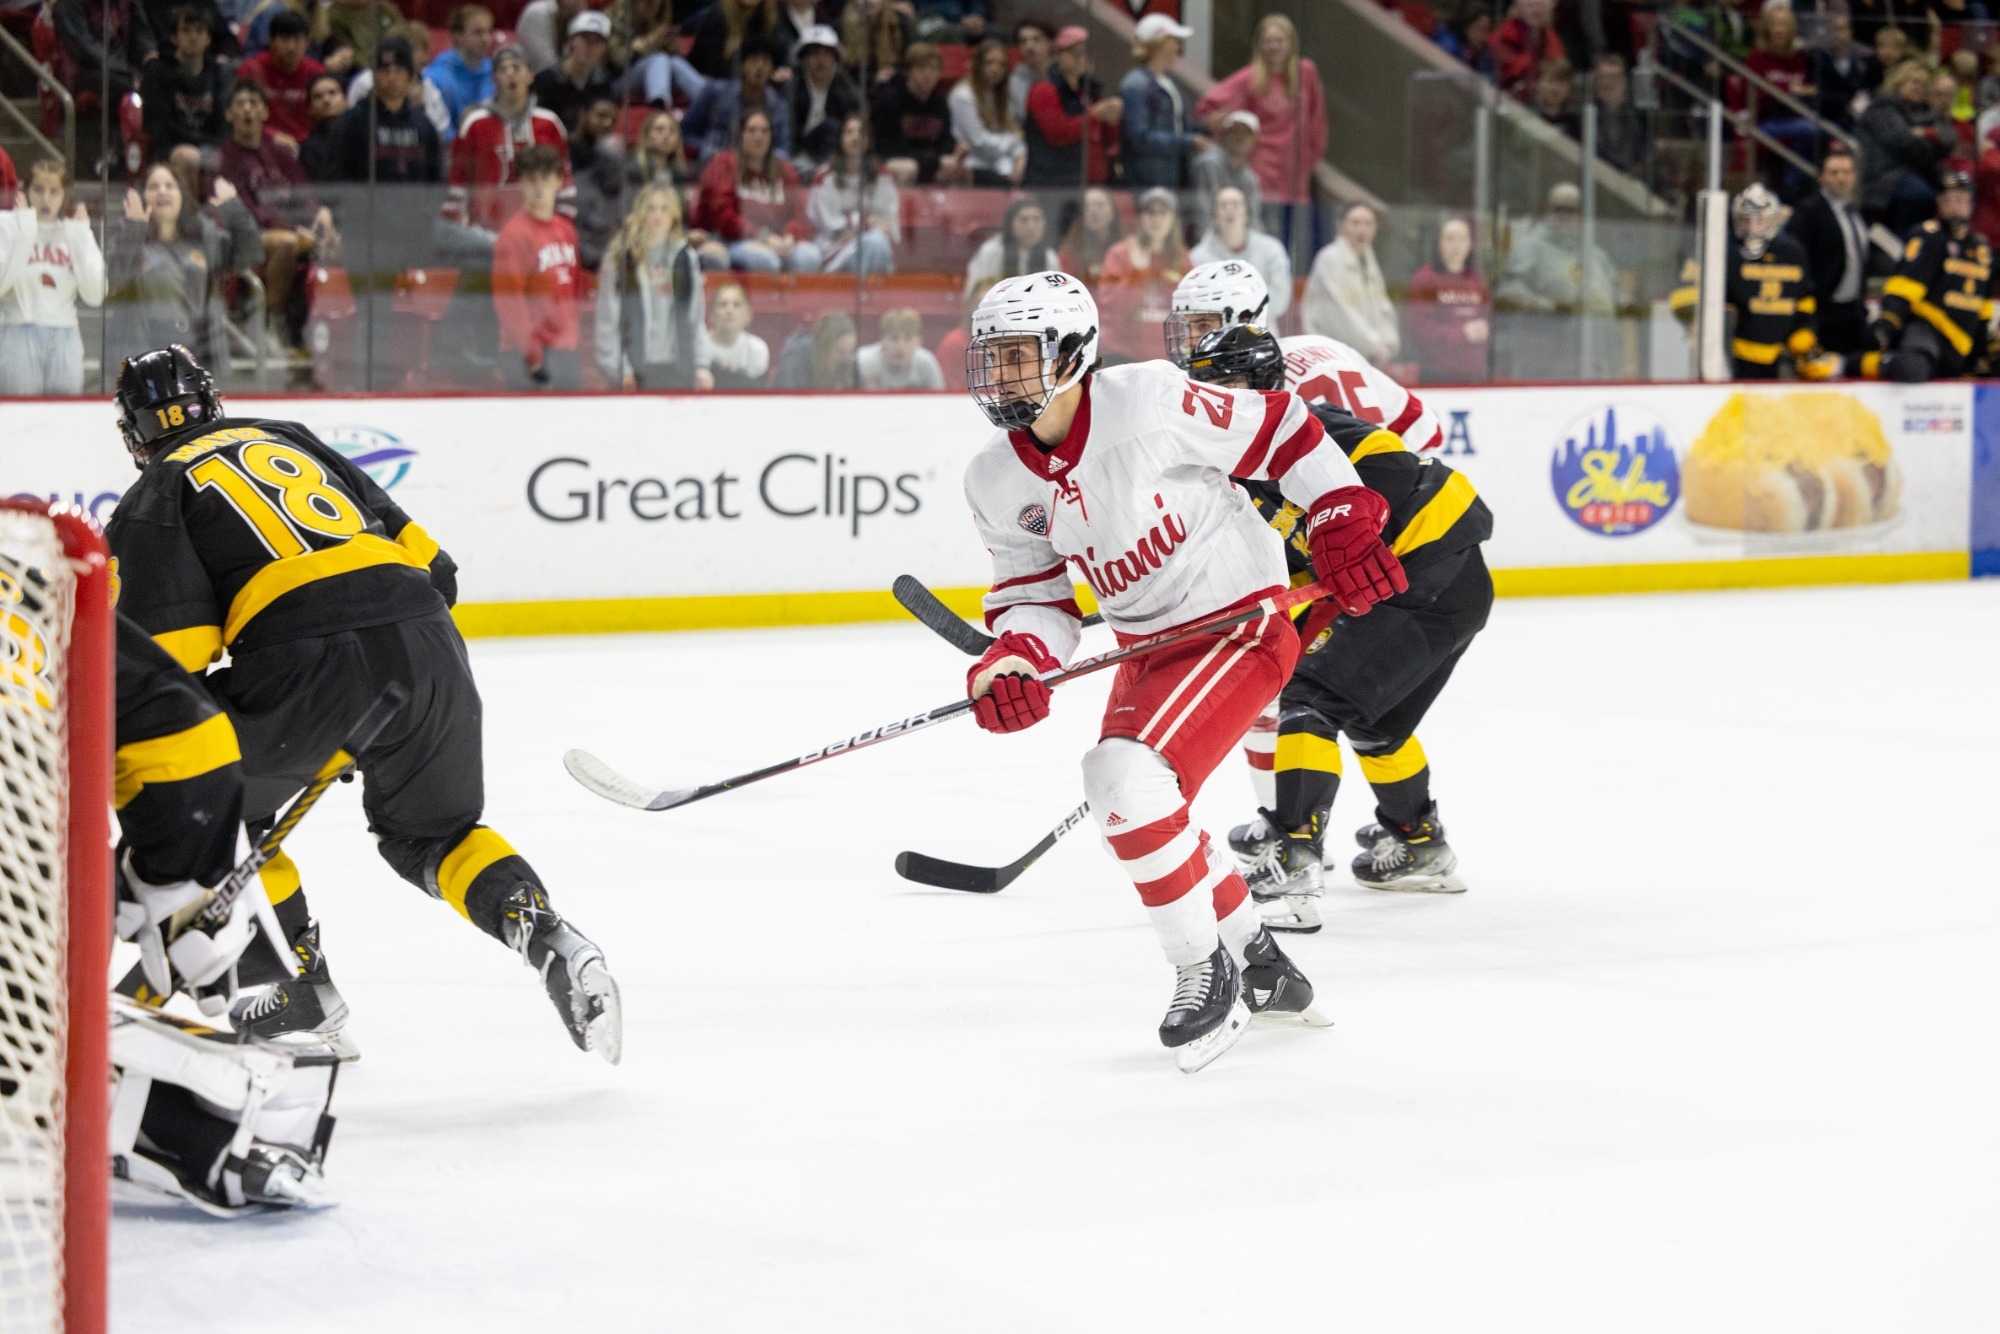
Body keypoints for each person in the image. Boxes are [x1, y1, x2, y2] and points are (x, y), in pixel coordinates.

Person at [106, 344, 621, 1059]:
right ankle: (545, 931)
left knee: (204, 807)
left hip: (307, 664)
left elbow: (167, 671)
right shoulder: (288, 438)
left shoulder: (154, 495)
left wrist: (307, 713)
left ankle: (294, 994)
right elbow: (437, 572)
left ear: (132, 434)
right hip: (427, 646)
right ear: (213, 401)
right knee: (431, 834)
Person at [958, 271, 1385, 1071]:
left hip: (1241, 620)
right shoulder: (993, 478)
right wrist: (1016, 658)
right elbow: (1035, 599)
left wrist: (1339, 509)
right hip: (1149, 646)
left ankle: (1205, 973)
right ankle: (1259, 961)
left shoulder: (1151, 401)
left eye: (1018, 355)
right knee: (1136, 797)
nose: (1001, 374)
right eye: (993, 357)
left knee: (1124, 781)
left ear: (1074, 353)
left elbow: (1282, 427)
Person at [1184, 325, 1492, 912]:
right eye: (1208, 388)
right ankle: (1419, 842)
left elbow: (1393, 471)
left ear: (1264, 385)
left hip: (1427, 570)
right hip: (1435, 582)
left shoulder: (1299, 429)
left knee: (1311, 700)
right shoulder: (1235, 467)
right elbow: (1299, 570)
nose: (1218, 401)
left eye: (1228, 385)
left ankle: (1293, 854)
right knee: (1374, 723)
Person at [1670, 183, 1840, 379]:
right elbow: (1687, 292)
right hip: (1734, 355)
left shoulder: (1793, 252)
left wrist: (1802, 329)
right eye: (1745, 220)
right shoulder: (1724, 251)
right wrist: (1698, 324)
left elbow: (1804, 297)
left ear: (1774, 219)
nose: (1752, 227)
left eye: (1760, 220)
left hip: (1782, 355)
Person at [216, 82, 338, 354]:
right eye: (241, 103)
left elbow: (304, 194)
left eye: (254, 103)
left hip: (293, 232)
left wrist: (321, 214)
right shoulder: (224, 158)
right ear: (229, 114)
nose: (248, 109)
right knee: (285, 244)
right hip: (244, 237)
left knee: (337, 242)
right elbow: (246, 211)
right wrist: (297, 231)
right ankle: (273, 324)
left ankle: (332, 331)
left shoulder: (280, 153)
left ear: (265, 112)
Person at [1848, 170, 1993, 381]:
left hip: (1961, 339)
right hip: (1928, 328)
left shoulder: (1981, 248)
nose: (1957, 205)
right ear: (1940, 204)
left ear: (1971, 205)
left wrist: (1982, 347)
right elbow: (1905, 284)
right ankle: (1851, 363)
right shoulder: (1929, 236)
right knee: (1912, 368)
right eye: (1950, 200)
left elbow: (1983, 302)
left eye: (1962, 199)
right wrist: (1889, 319)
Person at [1195, 14, 1325, 247]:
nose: (1274, 46)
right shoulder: (1251, 77)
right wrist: (1217, 123)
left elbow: (1318, 118)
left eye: (1279, 40)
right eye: (1268, 40)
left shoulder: (1306, 72)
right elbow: (1208, 105)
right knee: (1265, 237)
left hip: (1296, 171)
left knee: (1294, 242)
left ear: (1291, 42)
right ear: (1260, 44)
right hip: (1263, 170)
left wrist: (1311, 157)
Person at [106, 163, 246, 373]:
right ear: (143, 196)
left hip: (197, 354)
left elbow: (247, 256)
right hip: (146, 357)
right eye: (153, 186)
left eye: (169, 185)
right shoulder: (128, 237)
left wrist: (235, 214)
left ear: (182, 195)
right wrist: (134, 230)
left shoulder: (203, 236)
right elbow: (115, 277)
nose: (162, 191)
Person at [0, 159, 106, 395]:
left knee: (66, 419)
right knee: (20, 420)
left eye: (54, 191)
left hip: (65, 335)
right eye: (38, 190)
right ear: (25, 190)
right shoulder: (9, 227)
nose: (46, 199)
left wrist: (81, 238)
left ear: (65, 195)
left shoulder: (73, 232)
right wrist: (25, 230)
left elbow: (95, 295)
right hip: (18, 332)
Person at [1494, 181, 1620, 379]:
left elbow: (1617, 296)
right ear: (1547, 212)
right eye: (1559, 209)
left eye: (1572, 210)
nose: (1565, 216)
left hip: (1594, 362)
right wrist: (1551, 307)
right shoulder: (1530, 248)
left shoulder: (1595, 255)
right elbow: (1509, 294)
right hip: (1547, 366)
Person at [596, 182, 712, 389]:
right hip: (633, 373)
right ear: (640, 213)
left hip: (677, 369)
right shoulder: (620, 258)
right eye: (651, 209)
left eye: (664, 209)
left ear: (674, 215)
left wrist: (701, 365)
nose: (657, 216)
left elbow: (696, 318)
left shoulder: (685, 258)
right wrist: (620, 370)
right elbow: (608, 322)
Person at [450, 45, 573, 234]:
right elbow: (457, 182)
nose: (510, 74)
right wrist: (459, 231)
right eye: (503, 69)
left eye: (516, 67)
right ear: (494, 79)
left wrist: (561, 227)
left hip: (539, 232)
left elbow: (564, 183)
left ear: (530, 75)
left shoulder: (550, 124)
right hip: (486, 232)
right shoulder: (475, 124)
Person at [493, 144, 583, 389]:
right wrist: (532, 354)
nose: (539, 187)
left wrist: (573, 339)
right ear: (521, 183)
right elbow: (509, 301)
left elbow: (573, 290)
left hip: (564, 348)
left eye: (545, 178)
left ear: (558, 181)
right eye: (531, 179)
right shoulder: (513, 236)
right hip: (527, 354)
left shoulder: (567, 231)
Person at [691, 109, 823, 272]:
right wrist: (763, 237)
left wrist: (790, 237)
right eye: (752, 130)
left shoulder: (785, 170)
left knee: (810, 257)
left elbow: (799, 216)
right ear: (741, 135)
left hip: (779, 241)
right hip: (732, 240)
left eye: (764, 131)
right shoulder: (723, 164)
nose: (758, 136)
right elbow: (724, 218)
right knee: (765, 260)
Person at [1784, 145, 1875, 354]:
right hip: (1823, 312)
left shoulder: (1854, 212)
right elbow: (1796, 258)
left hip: (1852, 311)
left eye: (1846, 172)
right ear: (1822, 177)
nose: (1841, 178)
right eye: (1834, 172)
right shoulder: (1809, 211)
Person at [329, 37, 444, 183]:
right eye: (385, 70)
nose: (391, 77)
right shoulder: (351, 123)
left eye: (398, 70)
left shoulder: (424, 125)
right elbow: (338, 180)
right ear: (373, 75)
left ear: (410, 75)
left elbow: (435, 182)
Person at [1859, 59, 1953, 235]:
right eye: (1914, 82)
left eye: (1924, 85)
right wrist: (1930, 143)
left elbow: (1948, 138)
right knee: (1919, 194)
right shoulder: (1883, 106)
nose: (1919, 88)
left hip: (1918, 171)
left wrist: (1924, 133)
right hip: (1882, 175)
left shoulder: (1924, 111)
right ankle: (1902, 244)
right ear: (1899, 81)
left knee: (1959, 187)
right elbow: (1902, 141)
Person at [1022, 25, 1120, 188]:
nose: (1081, 58)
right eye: (1075, 53)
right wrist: (1095, 115)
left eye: (1085, 53)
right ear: (1059, 55)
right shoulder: (1044, 90)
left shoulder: (1090, 92)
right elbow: (1057, 133)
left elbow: (1106, 139)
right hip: (1054, 182)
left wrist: (1112, 118)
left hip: (1094, 180)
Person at [140, 6, 232, 173]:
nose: (193, 37)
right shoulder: (157, 71)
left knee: (226, 158)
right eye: (186, 31)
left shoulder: (218, 75)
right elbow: (159, 126)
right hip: (168, 148)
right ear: (175, 37)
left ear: (208, 38)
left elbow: (222, 126)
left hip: (208, 147)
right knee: (189, 157)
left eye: (199, 31)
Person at [1120, 12, 1204, 191]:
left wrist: (1204, 129)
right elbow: (1140, 139)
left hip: (1175, 178)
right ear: (1161, 44)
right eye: (1174, 40)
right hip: (1149, 181)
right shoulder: (1136, 85)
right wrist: (1188, 142)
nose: (1178, 47)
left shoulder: (1170, 83)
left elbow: (1177, 127)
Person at [806, 113, 899, 274]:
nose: (855, 137)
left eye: (861, 132)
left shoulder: (883, 177)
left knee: (876, 242)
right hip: (834, 250)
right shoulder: (825, 177)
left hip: (873, 245)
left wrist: (857, 223)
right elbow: (831, 225)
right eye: (849, 132)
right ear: (840, 139)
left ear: (869, 140)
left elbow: (887, 223)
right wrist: (866, 220)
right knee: (875, 243)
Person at [1403, 215, 1491, 382]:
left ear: (1470, 244)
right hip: (1437, 374)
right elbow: (1418, 329)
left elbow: (1488, 319)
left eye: (1462, 239)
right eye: (1450, 239)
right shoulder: (1425, 278)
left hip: (1474, 374)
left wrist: (1485, 330)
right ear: (1440, 243)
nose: (1456, 245)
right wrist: (1462, 333)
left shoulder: (1477, 280)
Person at [683, 33, 793, 162]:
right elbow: (686, 133)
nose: (760, 67)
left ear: (772, 70)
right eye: (754, 60)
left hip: (760, 168)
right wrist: (708, 148)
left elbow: (783, 150)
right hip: (716, 164)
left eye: (765, 61)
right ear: (742, 65)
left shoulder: (778, 106)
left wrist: (757, 155)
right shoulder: (715, 93)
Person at [872, 42, 969, 186]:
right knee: (908, 168)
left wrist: (956, 152)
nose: (928, 74)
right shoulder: (890, 98)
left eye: (934, 69)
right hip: (889, 158)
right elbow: (891, 146)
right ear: (908, 71)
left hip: (927, 160)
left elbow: (945, 140)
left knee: (958, 169)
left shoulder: (940, 102)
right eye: (922, 68)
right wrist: (935, 160)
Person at [1189, 186, 1292, 321]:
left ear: (1246, 214)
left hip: (1263, 336)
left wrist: (1235, 307)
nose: (1230, 210)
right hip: (1216, 338)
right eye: (1223, 205)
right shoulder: (1198, 257)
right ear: (1215, 216)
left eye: (1236, 204)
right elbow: (1197, 303)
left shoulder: (1272, 249)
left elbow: (1280, 300)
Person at [236, 9, 326, 145]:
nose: (291, 47)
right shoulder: (251, 69)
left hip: (306, 146)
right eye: (285, 40)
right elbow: (239, 113)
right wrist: (271, 135)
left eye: (297, 40)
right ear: (272, 41)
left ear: (307, 43)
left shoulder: (316, 73)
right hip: (262, 143)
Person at [788, 24, 864, 174]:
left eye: (826, 54)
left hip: (835, 155)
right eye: (815, 54)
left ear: (834, 59)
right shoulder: (791, 88)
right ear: (804, 58)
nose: (821, 60)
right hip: (797, 154)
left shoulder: (847, 91)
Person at [949, 37, 1025, 186]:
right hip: (973, 164)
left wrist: (1020, 156)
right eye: (989, 62)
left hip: (1001, 163)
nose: (995, 69)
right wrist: (1013, 141)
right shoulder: (963, 95)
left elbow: (1013, 130)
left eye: (1001, 65)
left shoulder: (1000, 95)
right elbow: (979, 142)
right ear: (978, 65)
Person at [532, 10, 617, 134]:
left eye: (598, 41)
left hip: (588, 141)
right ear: (571, 40)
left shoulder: (603, 81)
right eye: (585, 39)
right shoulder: (546, 79)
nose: (591, 46)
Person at [963, 194, 1056, 301]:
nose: (1031, 227)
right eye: (1024, 220)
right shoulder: (992, 252)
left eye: (1036, 219)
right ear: (1010, 224)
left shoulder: (1049, 257)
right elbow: (975, 294)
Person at [617, 0, 705, 110]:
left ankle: (709, 100)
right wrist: (650, 41)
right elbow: (618, 58)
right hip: (619, 78)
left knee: (674, 62)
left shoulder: (663, 13)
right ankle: (659, 109)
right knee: (659, 58)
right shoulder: (621, 11)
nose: (658, 4)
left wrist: (669, 45)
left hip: (655, 73)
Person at [427, 4, 497, 136]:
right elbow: (439, 128)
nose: (486, 39)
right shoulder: (436, 77)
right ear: (458, 37)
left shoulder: (496, 73)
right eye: (478, 32)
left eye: (489, 31)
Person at [1101, 185, 1189, 285]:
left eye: (1163, 212)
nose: (1156, 219)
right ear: (1140, 217)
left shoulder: (1182, 256)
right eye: (1151, 212)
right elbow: (1107, 299)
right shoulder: (1119, 254)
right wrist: (1137, 272)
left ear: (1173, 219)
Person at [1192, 110, 1262, 228]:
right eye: (1235, 131)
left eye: (1246, 133)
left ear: (1254, 141)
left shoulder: (1250, 177)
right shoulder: (1209, 164)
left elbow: (1253, 218)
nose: (1240, 137)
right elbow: (1204, 212)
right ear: (1224, 136)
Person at [1812, 8, 1878, 130]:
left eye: (1841, 29)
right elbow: (1818, 95)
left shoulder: (1864, 61)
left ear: (1850, 32)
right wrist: (1850, 100)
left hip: (1857, 120)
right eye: (1832, 30)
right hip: (1824, 119)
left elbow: (1867, 92)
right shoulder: (1815, 59)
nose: (1836, 34)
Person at [689, 0, 786, 81]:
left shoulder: (769, 18)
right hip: (714, 85)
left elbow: (778, 57)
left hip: (755, 90)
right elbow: (709, 69)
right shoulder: (718, 16)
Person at [1486, 0, 1564, 99]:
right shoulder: (1501, 37)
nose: (1535, 11)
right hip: (1507, 101)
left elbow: (1560, 75)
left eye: (1541, 6)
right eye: (1531, 5)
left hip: (1542, 103)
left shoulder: (1552, 39)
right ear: (1518, 7)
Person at [704, 279, 771, 386]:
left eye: (737, 305)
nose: (729, 310)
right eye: (723, 304)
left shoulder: (758, 349)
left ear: (748, 314)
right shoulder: (698, 348)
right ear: (711, 314)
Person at [857, 306, 942, 387]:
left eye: (908, 338)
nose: (900, 346)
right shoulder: (863, 362)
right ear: (882, 339)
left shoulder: (926, 363)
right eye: (894, 338)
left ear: (919, 341)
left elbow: (940, 400)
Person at [1589, 53, 1644, 174]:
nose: (1607, 83)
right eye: (1602, 77)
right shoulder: (1585, 115)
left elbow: (1642, 152)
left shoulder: (1638, 115)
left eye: (1613, 77)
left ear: (1624, 81)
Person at [1057, 185, 1123, 283]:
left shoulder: (1126, 249)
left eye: (1100, 205)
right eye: (1087, 206)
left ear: (1113, 211)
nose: (1094, 211)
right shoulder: (1070, 251)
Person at [774, 308, 856, 386]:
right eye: (841, 352)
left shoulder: (849, 365)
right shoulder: (795, 361)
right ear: (823, 347)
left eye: (851, 351)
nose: (848, 358)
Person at [839, 0, 912, 84]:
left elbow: (910, 61)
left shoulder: (900, 23)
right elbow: (845, 73)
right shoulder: (841, 28)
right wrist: (873, 78)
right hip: (857, 88)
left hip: (895, 84)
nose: (869, 1)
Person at [314, 0, 401, 69]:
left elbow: (402, 34)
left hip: (394, 63)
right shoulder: (334, 16)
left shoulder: (384, 8)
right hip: (359, 71)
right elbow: (346, 51)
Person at [297, 73, 348, 182]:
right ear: (310, 109)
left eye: (332, 93)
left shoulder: (363, 137)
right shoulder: (308, 149)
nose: (326, 100)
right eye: (318, 96)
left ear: (346, 101)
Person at [627, 108, 696, 188]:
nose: (666, 135)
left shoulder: (683, 173)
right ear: (647, 136)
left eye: (672, 130)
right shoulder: (631, 168)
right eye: (659, 129)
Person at [515, 0, 584, 73]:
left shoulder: (575, 18)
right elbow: (546, 66)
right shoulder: (538, 13)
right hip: (529, 78)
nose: (580, 2)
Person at [1007, 18, 1054, 124]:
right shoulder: (1011, 83)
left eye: (1036, 39)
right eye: (1023, 41)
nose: (1029, 46)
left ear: (1050, 43)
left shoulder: (1066, 77)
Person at [1531, 56, 1580, 139]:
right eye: (1550, 81)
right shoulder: (1529, 117)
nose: (1555, 88)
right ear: (1539, 83)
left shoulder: (1574, 122)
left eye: (1561, 82)